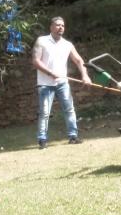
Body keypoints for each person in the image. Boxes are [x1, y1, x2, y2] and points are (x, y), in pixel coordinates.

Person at [32, 16, 92, 149]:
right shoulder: (41, 41)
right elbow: (36, 61)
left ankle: (73, 137)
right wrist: (50, 73)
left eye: (63, 26)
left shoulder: (67, 44)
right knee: (45, 112)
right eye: (58, 25)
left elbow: (79, 60)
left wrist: (85, 75)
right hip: (45, 84)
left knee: (69, 109)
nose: (61, 28)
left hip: (62, 82)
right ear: (51, 27)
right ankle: (42, 140)